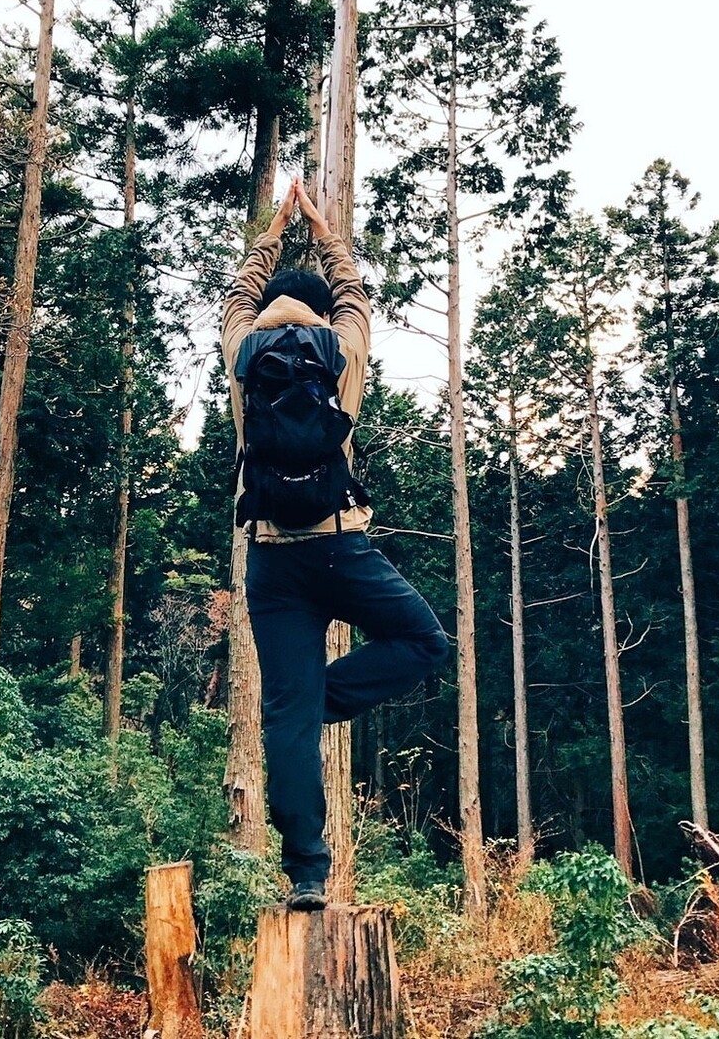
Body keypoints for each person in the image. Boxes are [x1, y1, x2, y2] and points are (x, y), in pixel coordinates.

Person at [222, 177, 450, 910]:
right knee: (423, 641)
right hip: (339, 546)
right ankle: (320, 699)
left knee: (289, 716)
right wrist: (323, 231)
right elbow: (355, 292)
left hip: (271, 558)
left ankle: (307, 873)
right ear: (323, 313)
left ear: (263, 307)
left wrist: (271, 234)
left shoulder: (242, 350)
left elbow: (238, 291)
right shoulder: (341, 347)